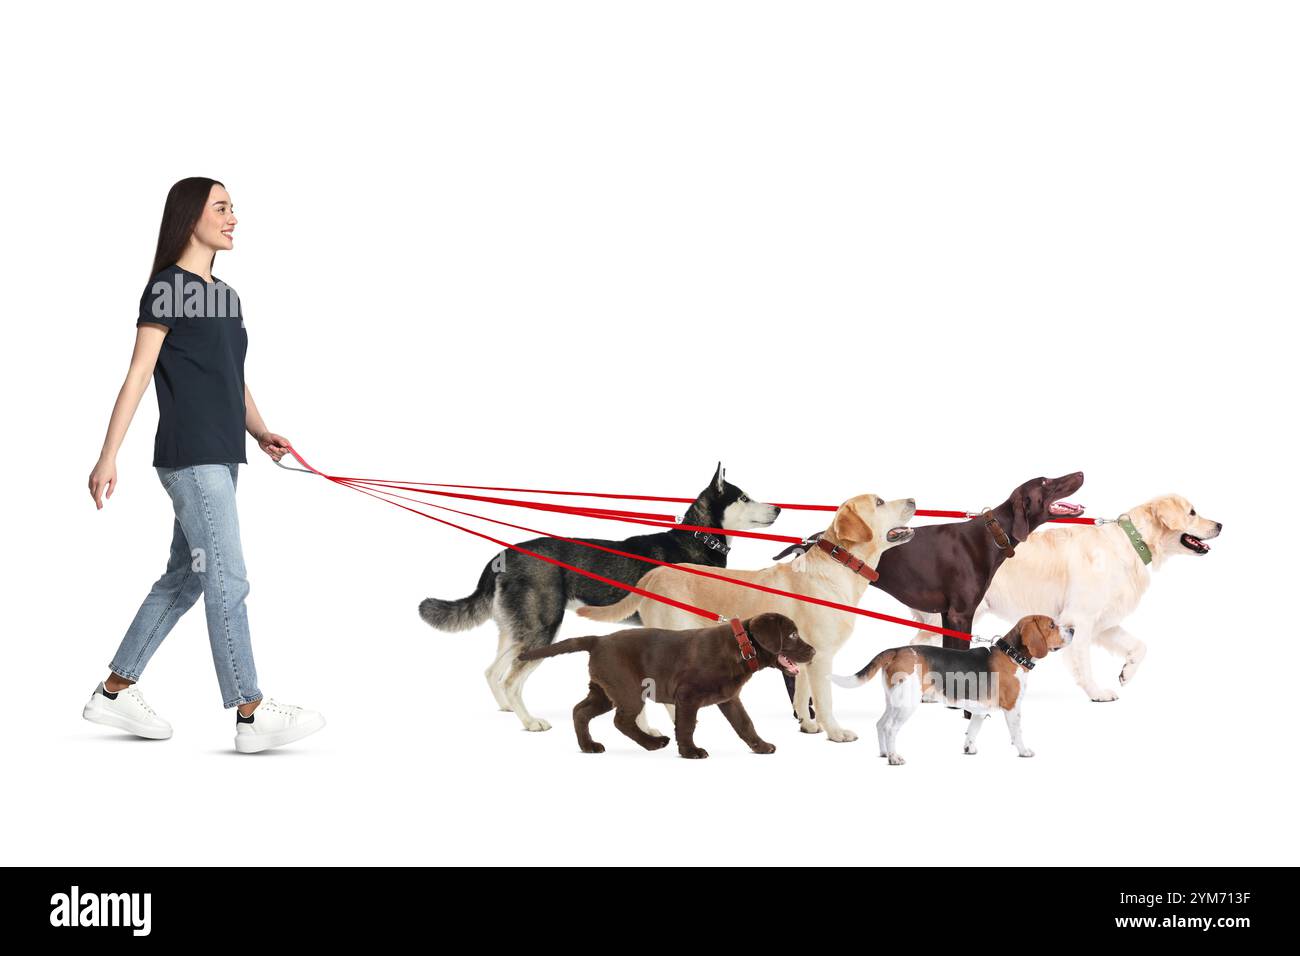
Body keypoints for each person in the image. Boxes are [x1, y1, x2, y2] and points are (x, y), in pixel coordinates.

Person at [84, 177, 325, 754]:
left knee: (186, 577)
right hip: (190, 457)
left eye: (233, 208)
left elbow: (229, 375)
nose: (234, 217)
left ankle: (113, 692)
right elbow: (139, 373)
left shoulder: (225, 294)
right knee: (227, 577)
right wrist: (107, 454)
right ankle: (250, 711)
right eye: (222, 207)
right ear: (190, 216)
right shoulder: (168, 288)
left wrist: (261, 429)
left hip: (222, 454)